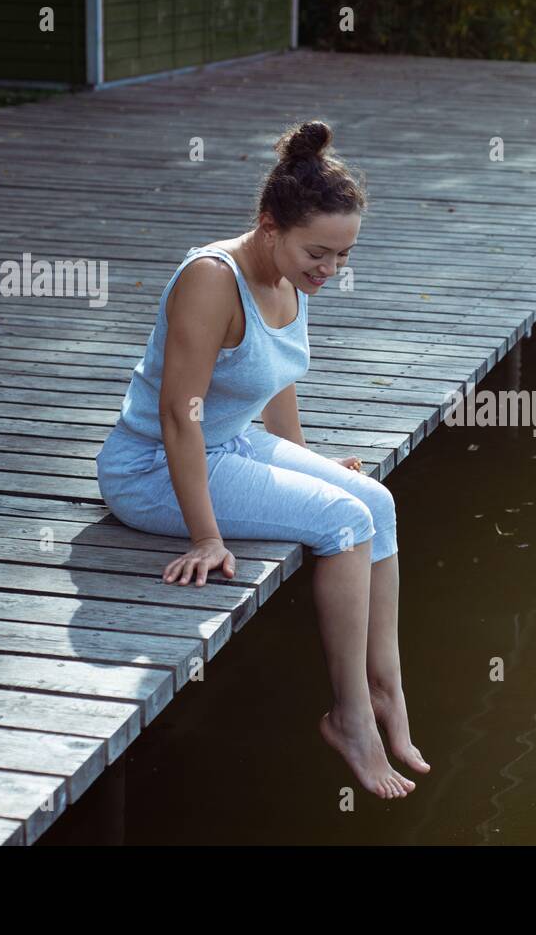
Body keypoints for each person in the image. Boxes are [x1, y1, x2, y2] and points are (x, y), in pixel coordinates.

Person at [95, 119, 429, 800]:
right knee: (341, 520)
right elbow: (175, 414)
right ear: (269, 224)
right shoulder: (212, 280)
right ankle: (350, 719)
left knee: (376, 502)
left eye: (343, 256)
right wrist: (206, 535)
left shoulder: (290, 277)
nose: (330, 271)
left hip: (231, 442)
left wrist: (306, 466)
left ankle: (386, 688)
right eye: (319, 252)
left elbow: (274, 380)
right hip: (154, 466)